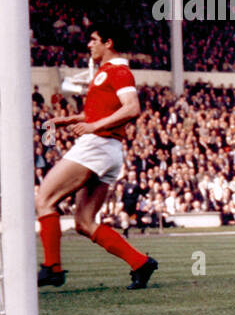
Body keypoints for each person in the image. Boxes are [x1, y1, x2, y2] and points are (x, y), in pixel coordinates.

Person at [34, 27, 158, 290]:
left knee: (44, 198)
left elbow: (132, 108)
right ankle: (141, 262)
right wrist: (72, 119)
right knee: (84, 223)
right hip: (108, 150)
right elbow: (104, 110)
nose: (89, 44)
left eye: (93, 40)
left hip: (98, 145)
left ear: (108, 42)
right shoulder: (105, 73)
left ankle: (52, 268)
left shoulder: (118, 71)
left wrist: (92, 126)